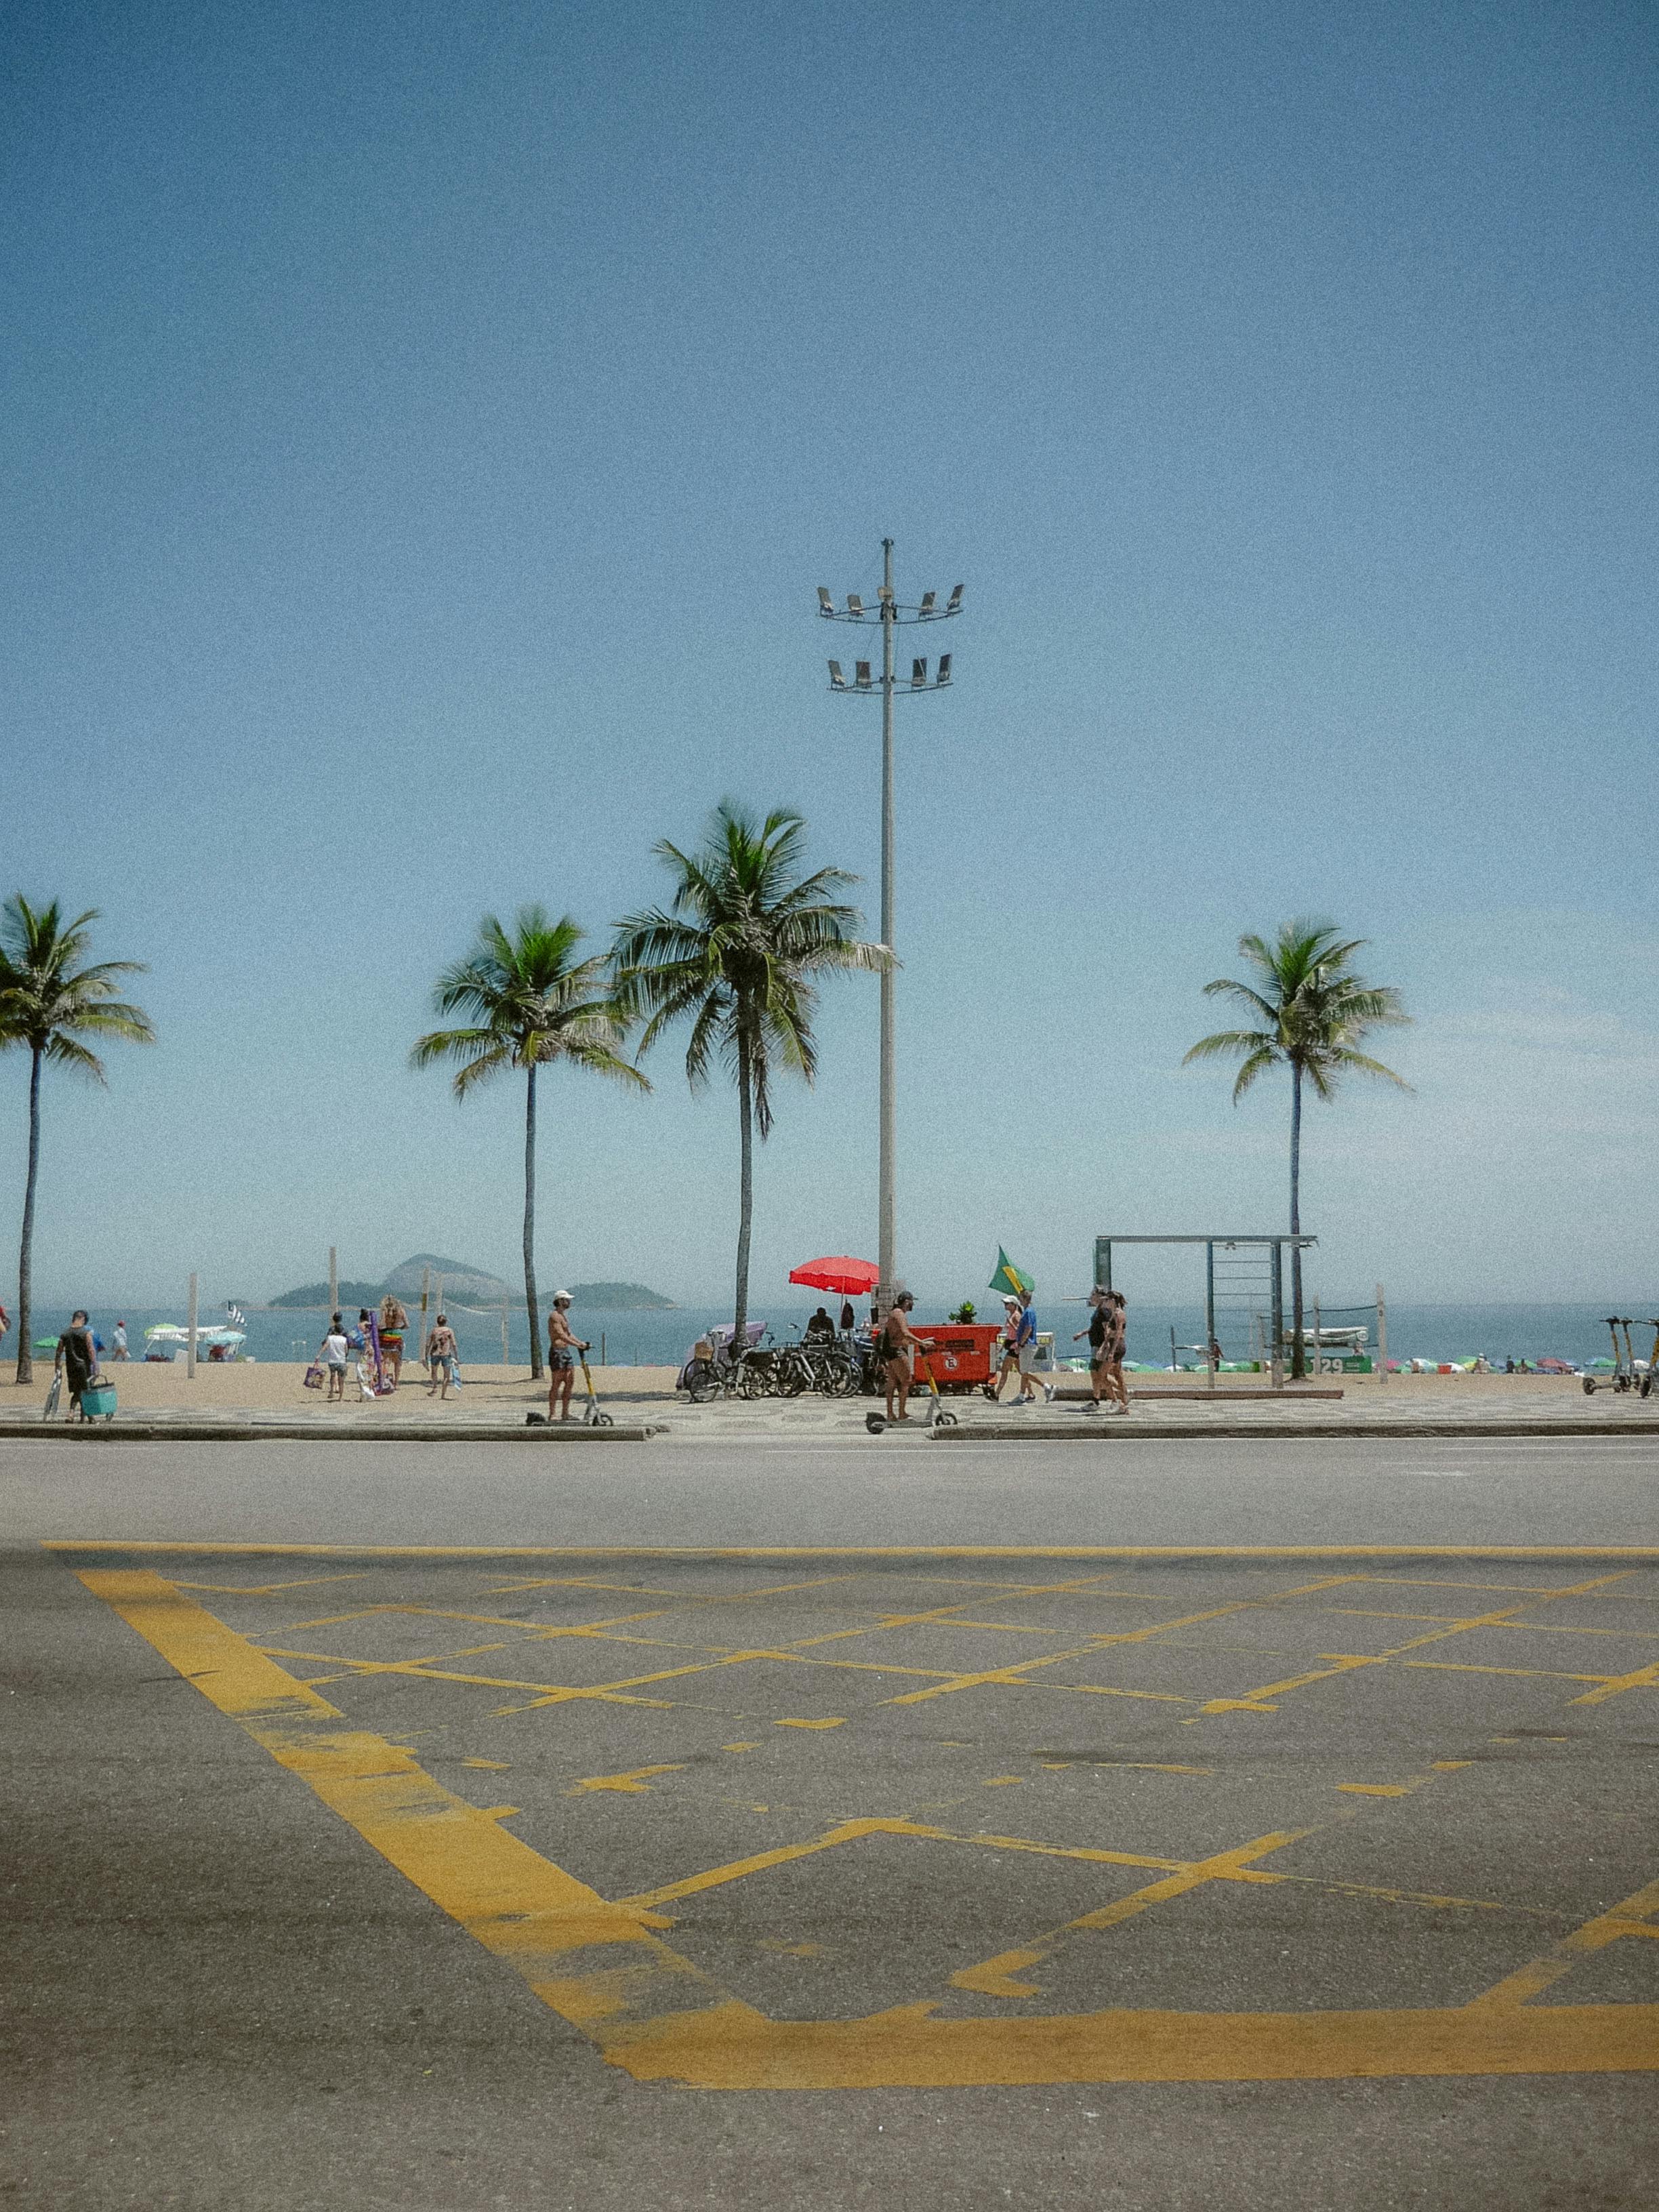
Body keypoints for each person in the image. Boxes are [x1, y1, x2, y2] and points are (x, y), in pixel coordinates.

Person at [878, 1292, 935, 1423]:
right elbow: (905, 1333)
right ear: (907, 1302)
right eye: (912, 1302)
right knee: (906, 1380)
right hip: (896, 1351)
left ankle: (890, 1414)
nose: (913, 1304)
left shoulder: (894, 1313)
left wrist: (920, 1341)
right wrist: (922, 1343)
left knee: (892, 1382)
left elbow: (900, 1336)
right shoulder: (899, 1314)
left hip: (890, 1350)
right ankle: (902, 1413)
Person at [546, 1293, 589, 1420]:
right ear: (560, 1301)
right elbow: (561, 1335)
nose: (569, 1302)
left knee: (569, 1381)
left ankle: (565, 1413)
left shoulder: (563, 1317)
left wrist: (580, 1343)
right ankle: (553, 1414)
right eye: (567, 1300)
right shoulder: (554, 1316)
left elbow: (569, 1334)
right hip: (557, 1352)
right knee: (557, 1383)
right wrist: (577, 1345)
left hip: (566, 1351)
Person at [1008, 1286, 1052, 1406]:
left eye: (1020, 1298)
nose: (1019, 1300)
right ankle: (1022, 1395)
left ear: (1024, 1299)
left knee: (1024, 1372)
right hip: (1027, 1345)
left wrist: (1021, 1344)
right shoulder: (1029, 1311)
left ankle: (1046, 1386)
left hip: (1027, 1345)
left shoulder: (1028, 1312)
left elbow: (1028, 1329)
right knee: (1024, 1370)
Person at [1073, 1288, 1111, 1412]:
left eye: (1093, 1294)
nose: (1091, 1297)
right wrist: (1082, 1333)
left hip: (1099, 1347)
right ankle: (1096, 1400)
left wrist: (1103, 1347)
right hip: (1095, 1345)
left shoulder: (1103, 1312)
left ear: (1100, 1296)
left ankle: (1119, 1397)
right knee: (1096, 1374)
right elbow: (1094, 1328)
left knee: (1100, 1376)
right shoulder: (1098, 1311)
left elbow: (1107, 1331)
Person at [56, 1309, 98, 1417]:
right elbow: (91, 1350)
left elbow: (59, 1352)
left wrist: (58, 1367)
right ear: (83, 1319)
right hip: (84, 1367)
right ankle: (89, 1416)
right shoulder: (86, 1333)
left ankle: (72, 1413)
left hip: (71, 1367)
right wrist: (95, 1366)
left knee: (77, 1392)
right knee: (86, 1391)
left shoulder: (65, 1334)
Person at [993, 1295, 1023, 1401]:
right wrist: (1003, 1344)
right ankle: (1032, 1392)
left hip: (1015, 1347)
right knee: (1022, 1372)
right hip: (1012, 1346)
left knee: (1005, 1370)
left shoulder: (1016, 1316)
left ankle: (997, 1394)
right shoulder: (1012, 1315)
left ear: (1013, 1305)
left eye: (1007, 1303)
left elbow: (1020, 1331)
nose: (1005, 1305)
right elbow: (1010, 1333)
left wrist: (1011, 1324)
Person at [1105, 1290, 1130, 1412]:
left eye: (1108, 1300)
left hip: (1117, 1345)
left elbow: (1119, 1332)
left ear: (1113, 1301)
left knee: (1104, 1374)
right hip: (1112, 1344)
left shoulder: (1119, 1314)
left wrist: (1112, 1351)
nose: (1106, 1302)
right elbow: (1109, 1333)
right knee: (1118, 1374)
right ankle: (1124, 1402)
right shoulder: (1113, 1313)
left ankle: (1117, 1400)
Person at [426, 1313, 459, 1400]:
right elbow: (454, 1344)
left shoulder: (434, 1331)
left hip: (435, 1353)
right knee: (446, 1376)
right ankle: (443, 1395)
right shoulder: (449, 1331)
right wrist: (456, 1355)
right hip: (446, 1354)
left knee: (434, 1372)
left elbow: (428, 1344)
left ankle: (435, 1387)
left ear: (437, 1322)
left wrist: (426, 1354)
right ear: (446, 1322)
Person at [380, 1293, 409, 1386]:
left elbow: (382, 1323)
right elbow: (407, 1325)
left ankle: (383, 1381)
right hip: (397, 1336)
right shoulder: (401, 1310)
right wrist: (400, 1329)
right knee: (398, 1362)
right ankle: (396, 1383)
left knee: (386, 1361)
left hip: (387, 1335)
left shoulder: (385, 1310)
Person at [319, 1314, 350, 1401]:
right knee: (341, 1376)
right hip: (342, 1355)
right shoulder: (344, 1330)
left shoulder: (332, 1329)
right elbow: (348, 1342)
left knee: (333, 1374)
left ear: (333, 1319)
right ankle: (340, 1393)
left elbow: (327, 1340)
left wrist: (323, 1346)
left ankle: (333, 1389)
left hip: (333, 1355)